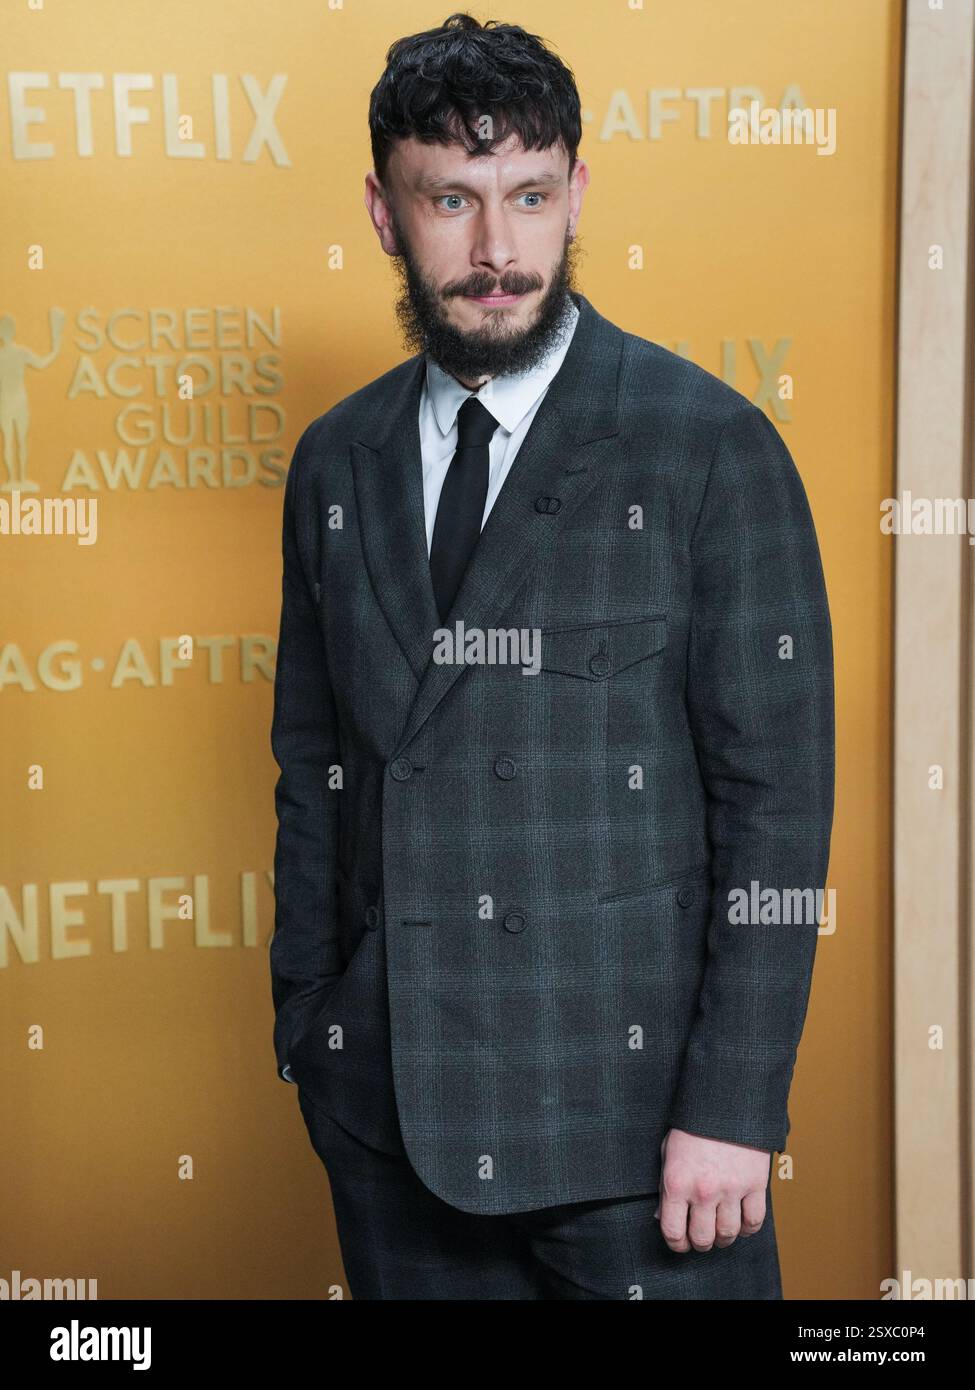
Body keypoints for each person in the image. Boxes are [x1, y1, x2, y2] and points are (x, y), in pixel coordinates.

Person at [269, 11, 834, 1301]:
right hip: (390, 1124)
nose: (495, 251)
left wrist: (735, 1107)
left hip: (643, 1147)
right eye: (450, 201)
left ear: (577, 193)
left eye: (528, 198)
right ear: (383, 212)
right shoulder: (336, 461)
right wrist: (313, 1025)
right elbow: (313, 767)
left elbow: (778, 810)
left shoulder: (706, 446)